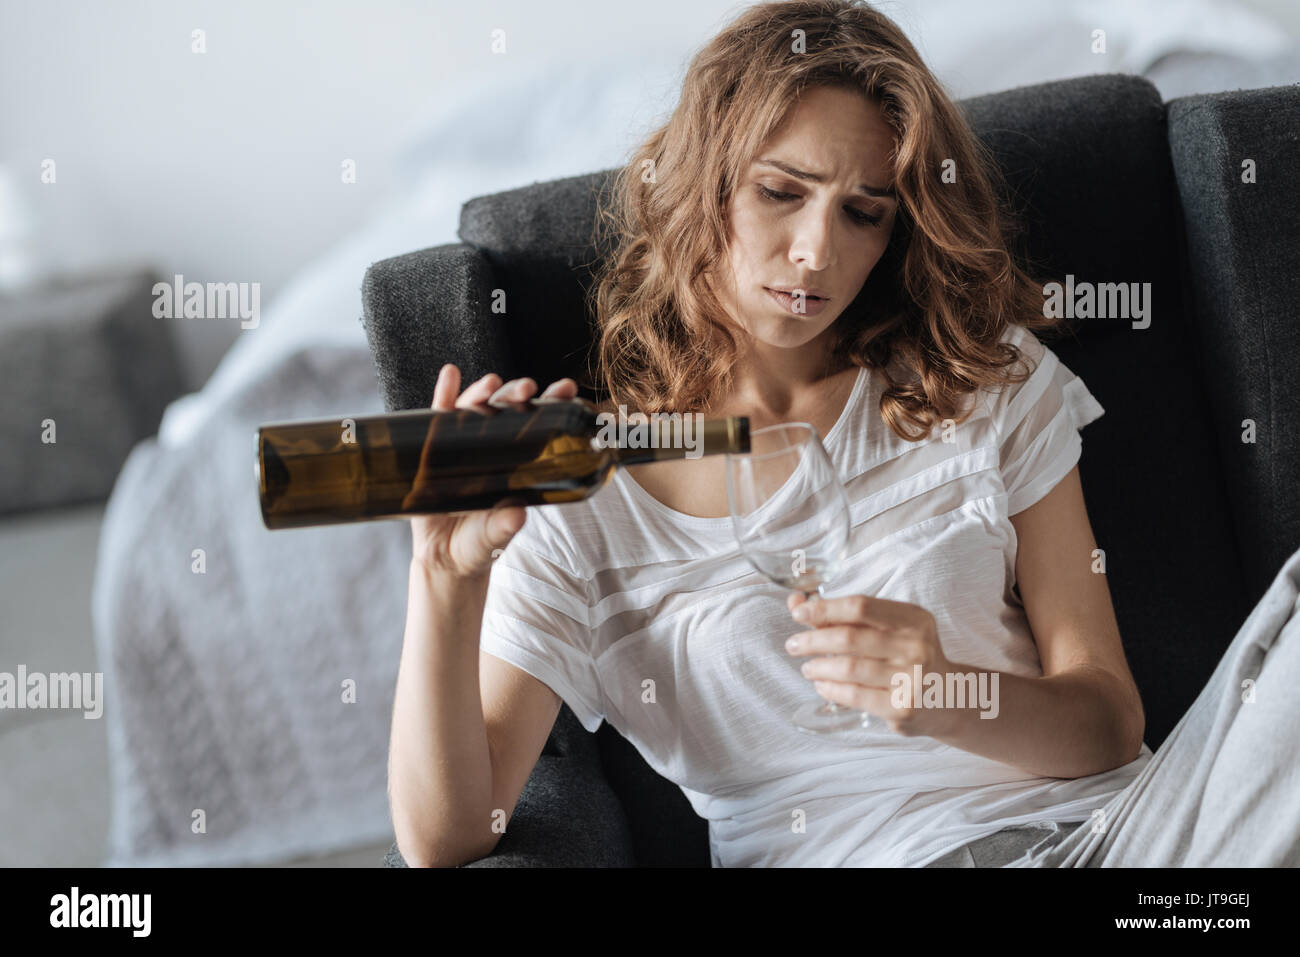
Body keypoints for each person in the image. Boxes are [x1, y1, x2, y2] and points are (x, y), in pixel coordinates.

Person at [386, 0, 1300, 868]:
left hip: (1136, 844)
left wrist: (948, 694)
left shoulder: (980, 377)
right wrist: (445, 576)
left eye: (864, 212)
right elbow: (452, 833)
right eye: (782, 192)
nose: (818, 252)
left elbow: (1106, 722)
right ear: (705, 185)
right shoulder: (581, 497)